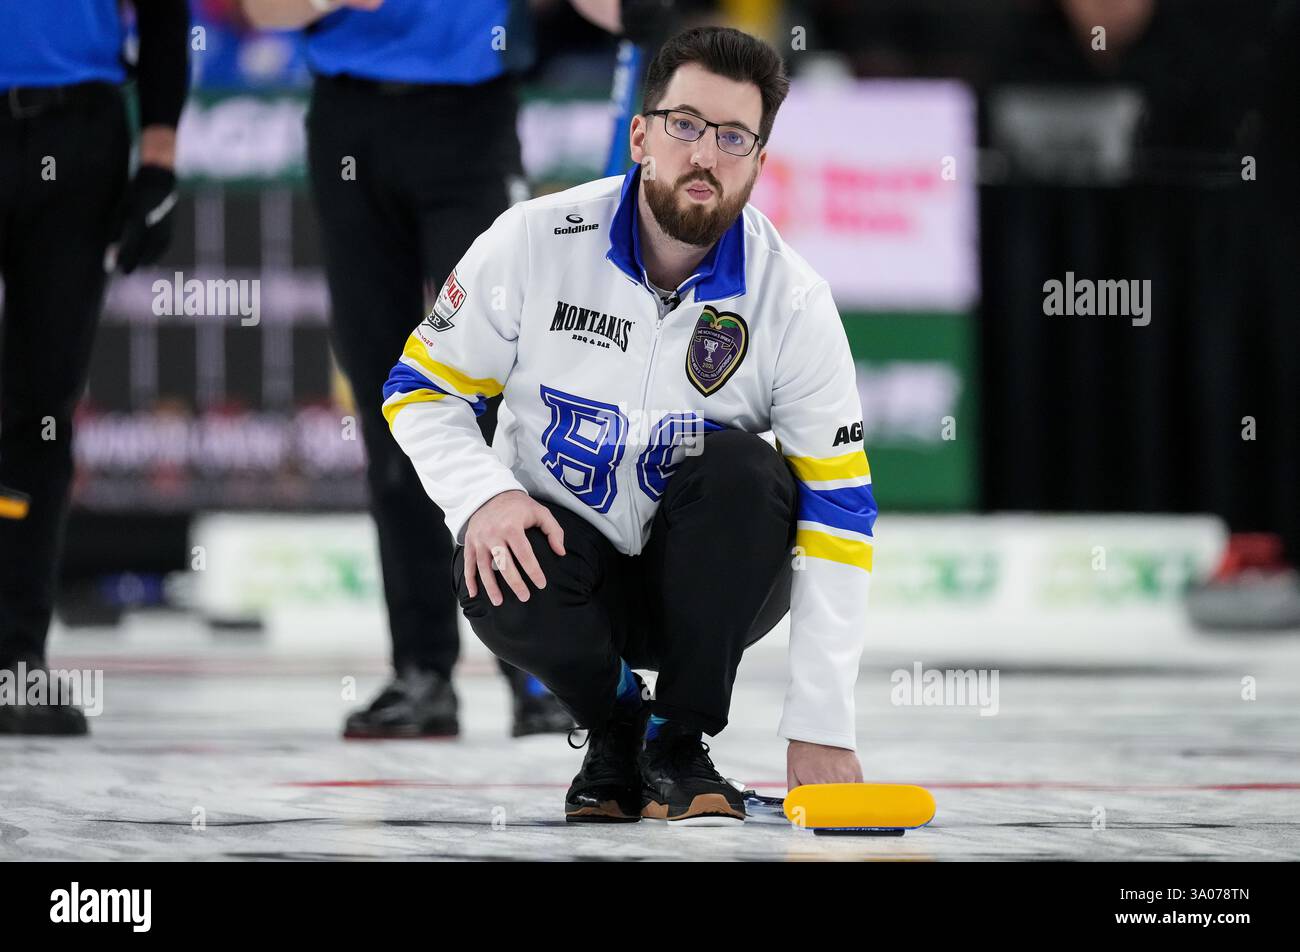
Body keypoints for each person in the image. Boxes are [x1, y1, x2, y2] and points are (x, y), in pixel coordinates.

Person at [382, 26, 875, 823]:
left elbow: (843, 514)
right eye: (684, 125)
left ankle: (681, 738)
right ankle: (618, 725)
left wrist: (821, 724)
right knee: (493, 560)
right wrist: (480, 495)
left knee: (748, 474)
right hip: (572, 573)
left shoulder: (795, 301)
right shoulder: (533, 241)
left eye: (733, 137)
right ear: (640, 135)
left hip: (715, 587)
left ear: (758, 161)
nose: (704, 155)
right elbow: (419, 388)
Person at [241, 0, 631, 738]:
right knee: (388, 400)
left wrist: (637, 14)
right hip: (351, 120)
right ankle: (422, 671)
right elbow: (264, 10)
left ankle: (543, 667)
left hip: (471, 121)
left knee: (512, 396)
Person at [0, 0, 189, 735]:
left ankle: (16, 662)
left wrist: (160, 160)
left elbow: (167, 12)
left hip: (80, 135)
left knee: (41, 415)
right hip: (79, 132)